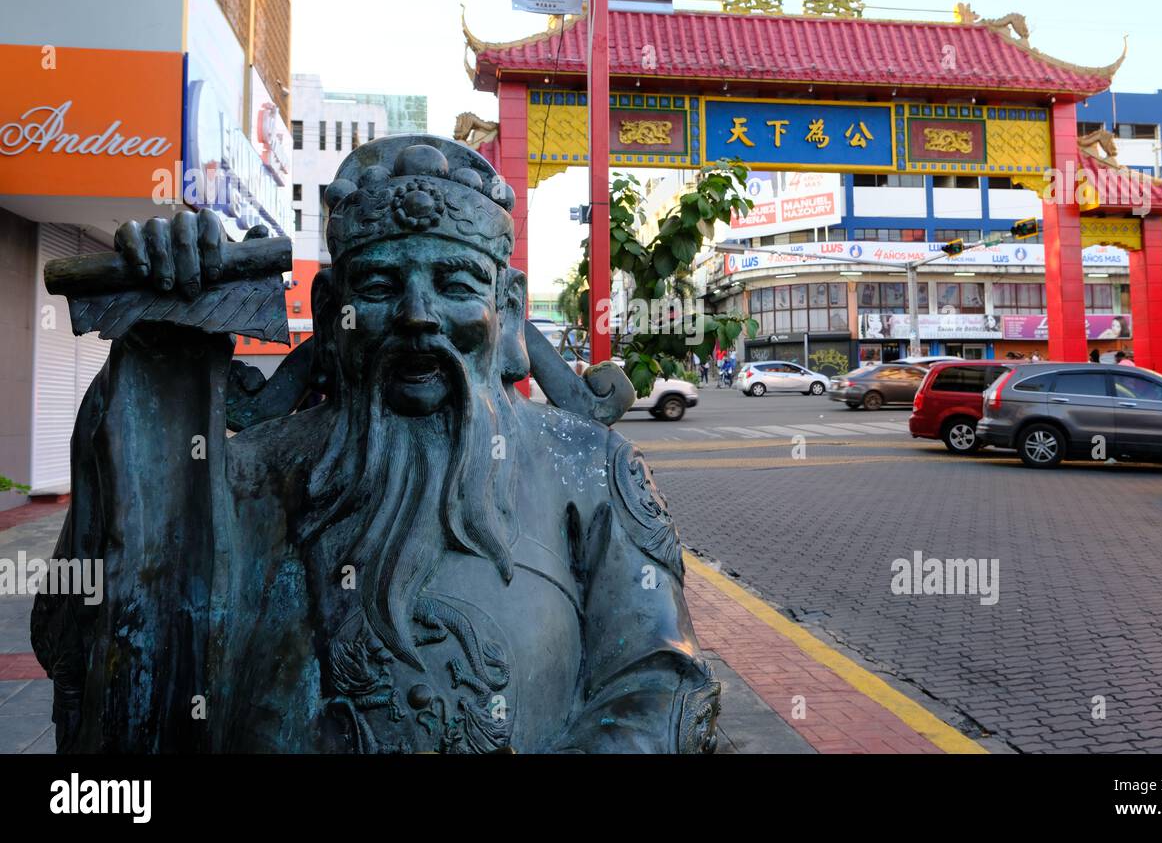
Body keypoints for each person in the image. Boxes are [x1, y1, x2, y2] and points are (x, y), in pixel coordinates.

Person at [31, 136, 718, 754]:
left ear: (506, 310)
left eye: (454, 284)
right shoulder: (252, 474)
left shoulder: (591, 469)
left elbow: (658, 682)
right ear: (332, 315)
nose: (418, 317)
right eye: (383, 286)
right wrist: (156, 359)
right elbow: (85, 626)